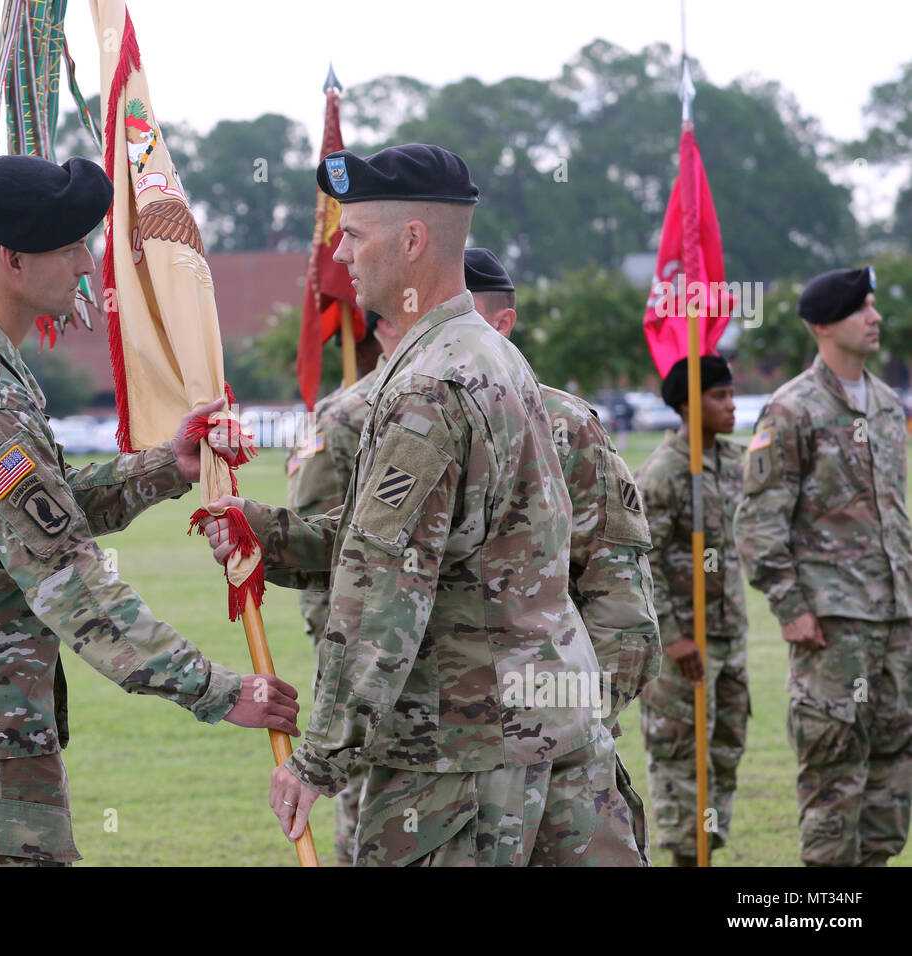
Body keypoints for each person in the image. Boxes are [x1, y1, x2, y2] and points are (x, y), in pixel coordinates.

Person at [0, 154, 300, 866]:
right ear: (15, 260)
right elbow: (68, 578)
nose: (88, 264)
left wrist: (162, 468)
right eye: (71, 247)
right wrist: (217, 690)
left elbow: (27, 515)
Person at [202, 144, 641, 866]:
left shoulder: (430, 385)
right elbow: (436, 540)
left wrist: (321, 759)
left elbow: (382, 587)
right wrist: (271, 538)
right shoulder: (490, 354)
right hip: (551, 727)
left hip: (460, 754)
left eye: (354, 234)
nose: (341, 256)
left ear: (411, 241)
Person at [466, 247, 661, 861]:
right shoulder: (410, 418)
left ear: (502, 325)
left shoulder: (564, 427)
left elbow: (622, 603)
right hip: (444, 750)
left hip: (554, 741)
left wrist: (576, 722)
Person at [735, 266, 912, 867]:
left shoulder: (888, 408)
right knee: (834, 774)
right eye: (861, 308)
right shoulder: (792, 411)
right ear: (823, 326)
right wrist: (790, 606)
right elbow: (758, 520)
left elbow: (895, 512)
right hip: (831, 625)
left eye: (873, 306)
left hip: (894, 621)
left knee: (892, 778)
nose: (875, 317)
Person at [284, 312, 400, 866]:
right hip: (366, 646)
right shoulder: (346, 415)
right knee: (365, 796)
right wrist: (342, 655)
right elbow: (319, 543)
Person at [635, 354, 748, 866]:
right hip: (684, 646)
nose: (730, 406)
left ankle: (706, 849)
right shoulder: (663, 473)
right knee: (683, 760)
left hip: (728, 639)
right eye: (718, 396)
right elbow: (640, 561)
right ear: (686, 403)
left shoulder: (732, 463)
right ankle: (686, 855)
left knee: (724, 753)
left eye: (730, 395)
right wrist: (675, 635)